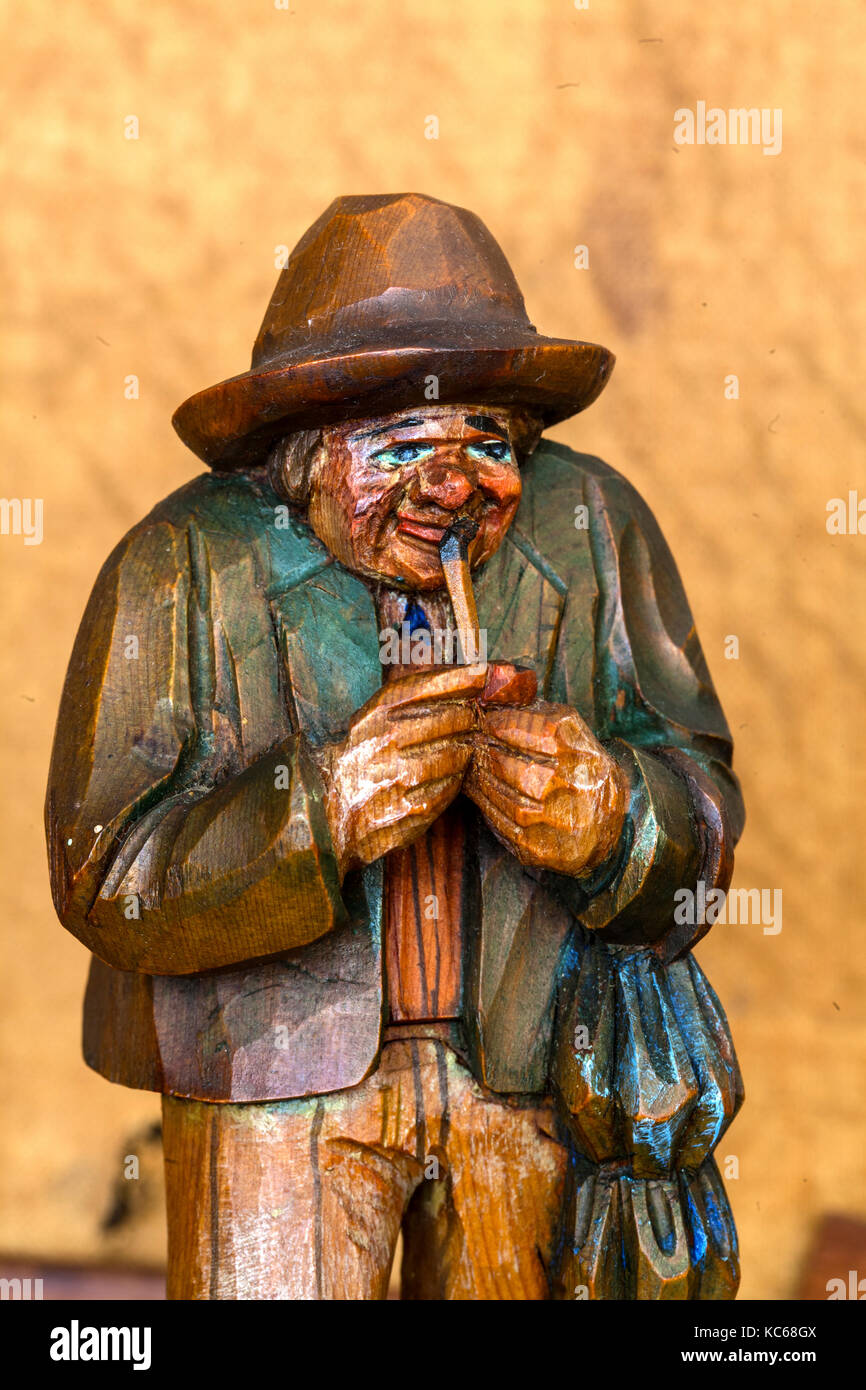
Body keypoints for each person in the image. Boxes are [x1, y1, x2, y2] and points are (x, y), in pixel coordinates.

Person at [46, 193, 745, 1300]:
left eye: (485, 440)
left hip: (526, 1068)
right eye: (405, 445)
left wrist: (617, 818)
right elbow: (104, 875)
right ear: (303, 459)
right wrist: (316, 812)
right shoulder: (182, 564)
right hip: (273, 1088)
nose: (453, 484)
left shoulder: (593, 527)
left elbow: (701, 800)